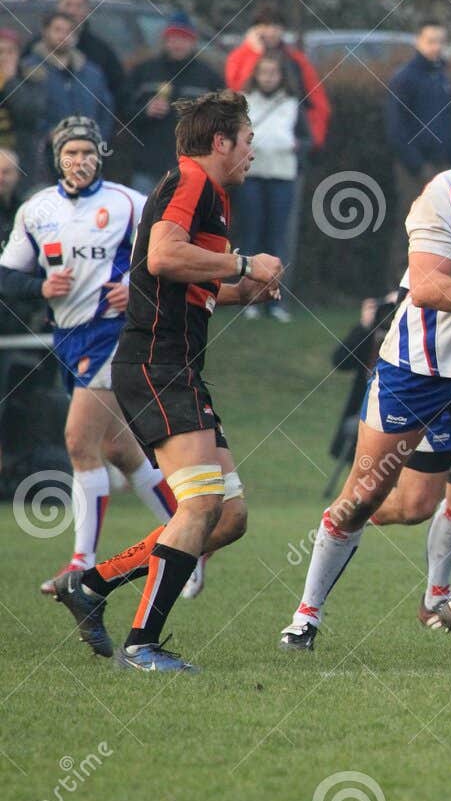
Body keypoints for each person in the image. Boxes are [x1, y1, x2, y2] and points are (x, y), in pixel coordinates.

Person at [278, 106, 451, 652]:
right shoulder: (440, 197)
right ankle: (305, 616)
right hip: (416, 371)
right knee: (366, 500)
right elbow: (428, 289)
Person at [53, 91, 282, 671]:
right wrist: (243, 263)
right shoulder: (191, 180)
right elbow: (162, 257)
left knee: (228, 517)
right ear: (220, 142)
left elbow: (191, 281)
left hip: (179, 368)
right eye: (248, 140)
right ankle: (141, 645)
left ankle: (91, 585)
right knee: (200, 505)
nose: (252, 152)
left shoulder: (212, 195)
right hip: (157, 365)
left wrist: (246, 289)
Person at [0, 118, 183, 592]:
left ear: (99, 156)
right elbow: (6, 275)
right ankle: (189, 538)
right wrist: (40, 287)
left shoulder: (128, 203)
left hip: (115, 335)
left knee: (79, 442)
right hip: (68, 337)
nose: (79, 160)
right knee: (119, 449)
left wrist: (134, 288)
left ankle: (82, 564)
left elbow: (166, 258)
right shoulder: (36, 210)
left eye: (87, 152)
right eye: (71, 153)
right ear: (57, 158)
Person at [235, 56, 309, 322]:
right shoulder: (244, 102)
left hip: (282, 177)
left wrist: (296, 146)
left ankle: (275, 299)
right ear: (256, 75)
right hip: (251, 176)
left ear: (281, 76)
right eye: (263, 72)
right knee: (251, 236)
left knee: (277, 239)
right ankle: (248, 298)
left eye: (273, 72)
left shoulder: (292, 103)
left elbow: (306, 138)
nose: (268, 77)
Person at [120, 13, 224, 196]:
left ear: (193, 42)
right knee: (145, 212)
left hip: (192, 166)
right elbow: (123, 109)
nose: (178, 44)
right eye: (173, 38)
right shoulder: (144, 72)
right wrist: (145, 111)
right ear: (165, 41)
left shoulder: (208, 77)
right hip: (147, 164)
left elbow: (223, 118)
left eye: (183, 39)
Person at [384, 22, 451, 277]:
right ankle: (399, 282)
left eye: (441, 41)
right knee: (411, 222)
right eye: (430, 41)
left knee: (441, 224)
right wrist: (416, 164)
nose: (436, 47)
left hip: (440, 164)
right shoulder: (405, 78)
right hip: (414, 166)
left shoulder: (441, 76)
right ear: (418, 41)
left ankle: (432, 279)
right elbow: (396, 127)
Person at [224, 2, 330, 151]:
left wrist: (311, 141)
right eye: (265, 26)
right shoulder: (239, 58)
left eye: (276, 26)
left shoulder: (296, 60)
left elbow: (317, 101)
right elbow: (238, 90)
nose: (271, 32)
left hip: (288, 145)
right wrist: (256, 54)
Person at [22, 13, 115, 156]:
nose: (63, 36)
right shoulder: (29, 69)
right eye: (57, 30)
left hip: (85, 155)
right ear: (45, 32)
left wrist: (97, 139)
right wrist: (47, 133)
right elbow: (23, 110)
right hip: (44, 155)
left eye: (69, 31)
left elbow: (106, 109)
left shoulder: (92, 73)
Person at [0, 28, 45, 181]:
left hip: (22, 158)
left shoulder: (30, 79)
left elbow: (29, 115)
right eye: (0, 51)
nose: (4, 57)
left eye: (10, 52)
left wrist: (10, 82)